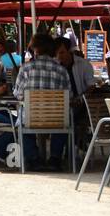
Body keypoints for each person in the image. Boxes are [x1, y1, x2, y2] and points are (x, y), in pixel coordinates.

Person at [12, 32, 72, 170]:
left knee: (22, 123)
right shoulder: (61, 70)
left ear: (35, 49)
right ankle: (55, 158)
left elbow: (18, 94)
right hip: (56, 119)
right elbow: (69, 95)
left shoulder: (25, 68)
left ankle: (34, 159)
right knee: (65, 119)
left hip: (31, 118)